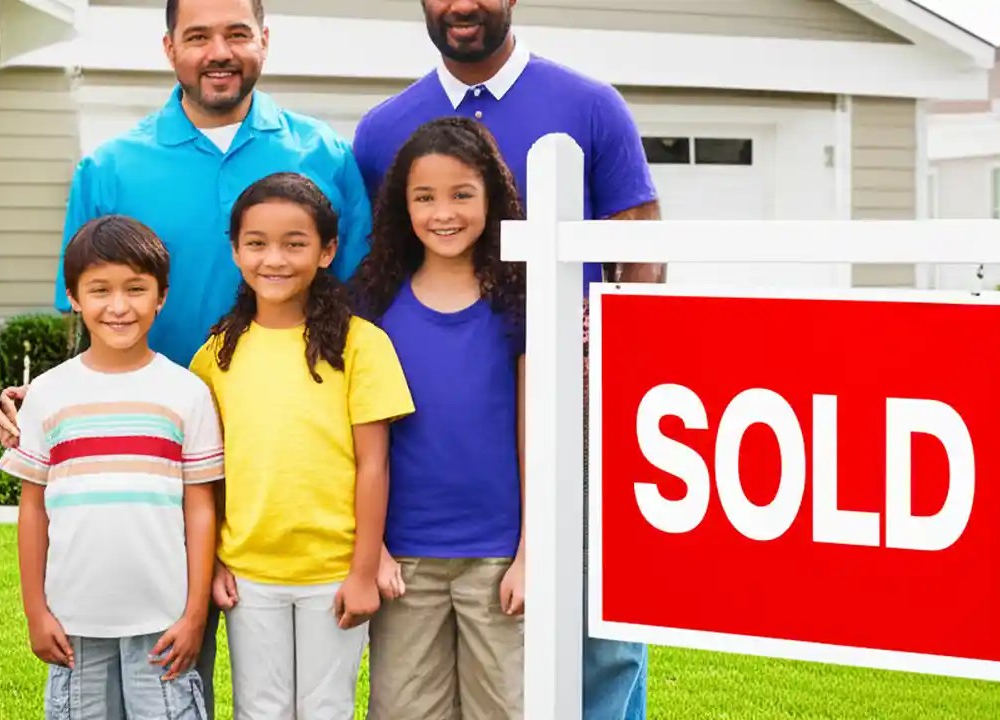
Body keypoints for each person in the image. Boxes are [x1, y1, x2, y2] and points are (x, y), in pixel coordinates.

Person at [0, 0, 372, 714]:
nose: (218, 52)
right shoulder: (109, 166)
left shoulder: (325, 156)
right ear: (169, 47)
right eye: (198, 36)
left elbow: (358, 308)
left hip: (291, 480)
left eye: (236, 33)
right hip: (155, 470)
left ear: (266, 40)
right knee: (165, 676)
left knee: (299, 697)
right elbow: (79, 327)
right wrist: (31, 399)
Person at [350, 2, 664, 718]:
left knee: (599, 628)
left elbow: (639, 243)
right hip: (445, 405)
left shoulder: (589, 106)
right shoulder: (384, 130)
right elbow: (381, 263)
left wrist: (620, 360)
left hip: (580, 395)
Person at [190, 172, 414, 719]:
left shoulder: (363, 345)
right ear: (235, 249)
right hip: (249, 573)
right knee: (258, 709)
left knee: (327, 709)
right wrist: (217, 558)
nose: (275, 258)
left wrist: (363, 571)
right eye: (257, 243)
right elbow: (207, 473)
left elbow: (373, 464)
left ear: (327, 250)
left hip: (333, 571)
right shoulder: (215, 356)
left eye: (296, 243)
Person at [0, 215, 223, 720]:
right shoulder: (48, 395)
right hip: (74, 626)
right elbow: (32, 510)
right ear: (74, 296)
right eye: (99, 290)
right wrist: (36, 612)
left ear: (161, 296)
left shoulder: (186, 392)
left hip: (163, 626)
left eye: (136, 289)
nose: (118, 306)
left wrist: (194, 615)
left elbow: (200, 508)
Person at [350, 116, 527, 719]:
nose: (443, 212)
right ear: (403, 205)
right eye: (424, 197)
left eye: (461, 195)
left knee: (506, 709)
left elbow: (535, 432)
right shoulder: (373, 302)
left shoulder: (518, 300)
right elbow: (353, 440)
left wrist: (531, 553)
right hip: (404, 559)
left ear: (493, 199)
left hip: (498, 558)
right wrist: (371, 549)